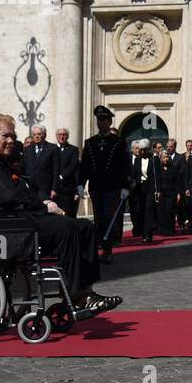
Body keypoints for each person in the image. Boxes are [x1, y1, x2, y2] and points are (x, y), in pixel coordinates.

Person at [0, 112, 120, 316]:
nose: (11, 140)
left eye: (13, 135)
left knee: (85, 227)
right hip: (7, 227)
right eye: (5, 136)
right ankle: (78, 295)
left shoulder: (3, 161)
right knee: (66, 229)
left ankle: (86, 290)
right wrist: (44, 207)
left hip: (18, 220)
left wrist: (44, 199)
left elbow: (27, 187)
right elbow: (8, 196)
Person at [77, 105, 131, 264]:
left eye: (103, 120)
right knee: (99, 218)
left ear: (109, 121)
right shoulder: (90, 142)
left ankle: (107, 250)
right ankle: (100, 246)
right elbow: (85, 165)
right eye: (98, 120)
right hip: (96, 187)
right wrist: (80, 184)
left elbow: (125, 165)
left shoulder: (119, 142)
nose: (100, 123)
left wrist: (125, 186)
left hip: (113, 187)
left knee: (108, 217)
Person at [21, 125, 59, 208]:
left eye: (39, 134)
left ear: (44, 135)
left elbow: (56, 170)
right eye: (34, 134)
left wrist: (54, 189)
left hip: (45, 188)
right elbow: (24, 167)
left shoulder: (52, 148)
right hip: (30, 187)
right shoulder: (28, 149)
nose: (36, 136)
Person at [129, 140, 158, 243]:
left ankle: (148, 235)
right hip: (139, 189)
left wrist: (157, 190)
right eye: (140, 150)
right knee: (141, 211)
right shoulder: (137, 160)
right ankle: (143, 233)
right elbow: (133, 175)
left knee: (148, 211)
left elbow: (157, 176)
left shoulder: (154, 160)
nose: (141, 152)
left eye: (143, 150)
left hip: (150, 188)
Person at [53, 127, 80, 218]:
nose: (62, 137)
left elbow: (73, 166)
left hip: (67, 189)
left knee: (68, 214)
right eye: (60, 135)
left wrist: (61, 176)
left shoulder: (73, 149)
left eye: (64, 135)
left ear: (67, 136)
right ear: (56, 136)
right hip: (54, 188)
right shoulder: (51, 149)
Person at [155, 148, 180, 236]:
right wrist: (157, 191)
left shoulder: (173, 167)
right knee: (162, 212)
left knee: (170, 211)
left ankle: (171, 229)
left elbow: (177, 181)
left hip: (171, 193)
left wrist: (178, 193)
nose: (166, 159)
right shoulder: (158, 168)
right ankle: (164, 230)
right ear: (161, 158)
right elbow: (157, 180)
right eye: (164, 157)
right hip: (162, 193)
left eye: (167, 157)